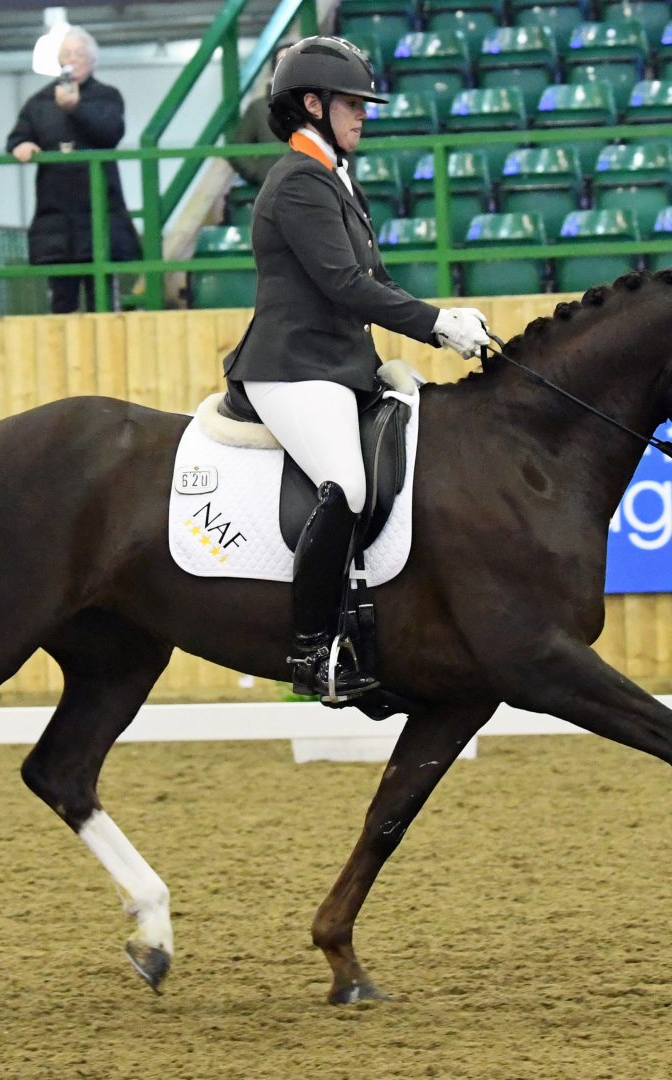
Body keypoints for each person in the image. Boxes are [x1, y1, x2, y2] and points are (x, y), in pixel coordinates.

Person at [221, 36, 491, 702]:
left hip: (339, 363)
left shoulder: (335, 176)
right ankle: (312, 652)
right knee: (346, 482)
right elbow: (345, 284)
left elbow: (374, 279)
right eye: (351, 104)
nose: (362, 115)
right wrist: (434, 324)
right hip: (292, 365)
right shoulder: (299, 180)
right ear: (311, 104)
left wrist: (435, 325)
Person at [7, 27, 144, 314]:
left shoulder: (106, 96)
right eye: (67, 54)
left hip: (99, 212)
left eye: (80, 54)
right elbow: (17, 137)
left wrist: (76, 107)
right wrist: (22, 144)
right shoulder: (39, 102)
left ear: (92, 61)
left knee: (103, 298)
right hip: (56, 217)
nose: (73, 59)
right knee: (62, 300)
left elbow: (111, 133)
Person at [228, 47, 291, 187]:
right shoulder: (259, 109)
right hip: (276, 195)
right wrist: (262, 174)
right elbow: (236, 150)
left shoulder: (321, 109)